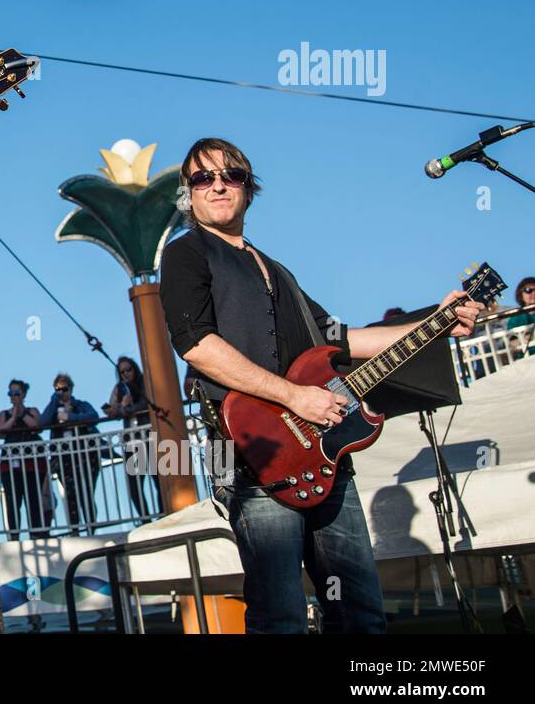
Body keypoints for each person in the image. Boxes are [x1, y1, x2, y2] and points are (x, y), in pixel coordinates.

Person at [159, 138, 482, 634]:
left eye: (231, 175)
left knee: (360, 614)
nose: (218, 185)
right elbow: (196, 343)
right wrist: (294, 397)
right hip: (253, 454)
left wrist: (436, 323)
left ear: (249, 189)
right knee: (280, 616)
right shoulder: (186, 253)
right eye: (204, 178)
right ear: (189, 193)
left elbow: (340, 340)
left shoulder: (278, 270)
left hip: (325, 451)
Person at [40, 372, 101, 533]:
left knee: (86, 491)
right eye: (57, 389)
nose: (61, 393)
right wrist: (54, 402)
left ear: (71, 389)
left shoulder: (81, 405)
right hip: (64, 457)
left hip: (85, 454)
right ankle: (75, 529)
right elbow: (42, 422)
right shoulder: (54, 409)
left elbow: (93, 416)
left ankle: (91, 527)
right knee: (71, 494)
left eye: (64, 389)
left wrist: (70, 417)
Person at [103, 356, 160, 519]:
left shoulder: (143, 383)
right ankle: (145, 518)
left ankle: (164, 514)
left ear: (134, 369)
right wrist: (120, 407)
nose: (126, 374)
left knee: (157, 478)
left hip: (149, 437)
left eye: (129, 369)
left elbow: (145, 404)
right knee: (134, 486)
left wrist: (125, 409)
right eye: (122, 372)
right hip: (132, 440)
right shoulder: (120, 388)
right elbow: (112, 407)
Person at [0, 379, 48, 538]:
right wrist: (13, 417)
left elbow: (37, 425)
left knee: (33, 497)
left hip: (32, 463)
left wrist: (22, 413)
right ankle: (14, 534)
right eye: (10, 393)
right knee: (12, 500)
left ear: (23, 394)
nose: (13, 396)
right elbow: (0, 432)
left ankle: (36, 533)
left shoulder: (32, 411)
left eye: (16, 393)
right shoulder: (4, 414)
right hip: (11, 464)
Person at [504, 277, 535, 360]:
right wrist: (529, 337)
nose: (533, 293)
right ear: (521, 295)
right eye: (528, 290)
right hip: (526, 360)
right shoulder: (516, 318)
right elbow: (512, 342)